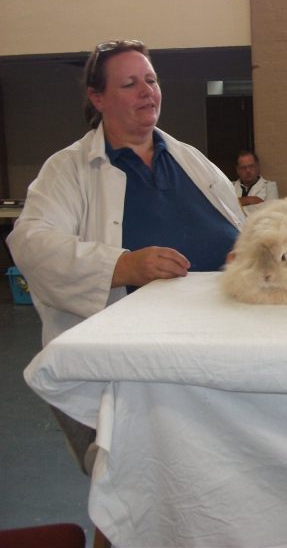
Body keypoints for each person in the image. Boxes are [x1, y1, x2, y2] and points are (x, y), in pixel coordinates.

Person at [7, 39, 244, 473]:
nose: (147, 91)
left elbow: (238, 229)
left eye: (151, 80)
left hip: (209, 360)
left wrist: (244, 256)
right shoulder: (69, 170)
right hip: (127, 374)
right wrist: (120, 265)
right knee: (136, 484)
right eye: (130, 83)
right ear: (97, 98)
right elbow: (31, 243)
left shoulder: (191, 161)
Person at [232, 149, 279, 213]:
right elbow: (224, 209)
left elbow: (272, 212)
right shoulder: (230, 186)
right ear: (237, 170)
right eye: (243, 167)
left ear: (257, 167)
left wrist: (238, 203)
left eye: (251, 166)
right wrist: (249, 200)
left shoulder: (270, 186)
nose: (248, 170)